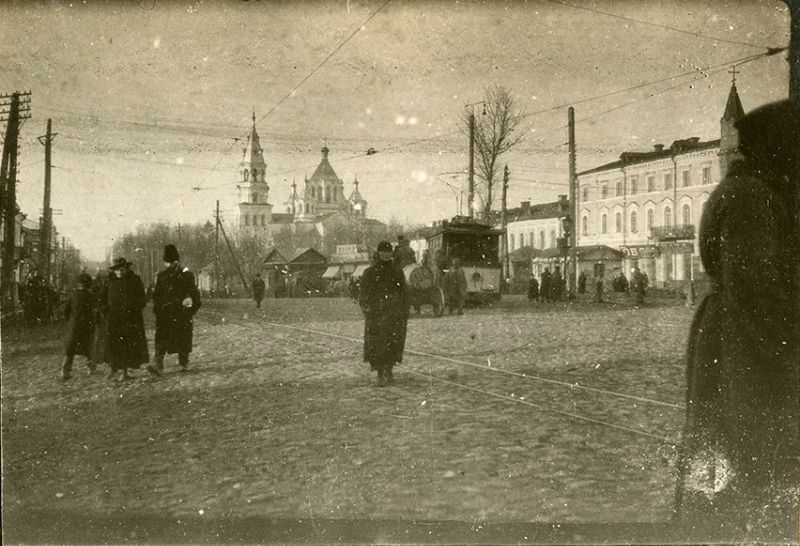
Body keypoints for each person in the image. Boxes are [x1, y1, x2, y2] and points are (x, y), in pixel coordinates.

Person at [677, 99, 799, 539]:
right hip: (744, 343)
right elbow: (757, 291)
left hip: (736, 335)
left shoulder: (753, 189)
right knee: (742, 456)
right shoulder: (751, 196)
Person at [359, 241, 409, 387]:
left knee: (393, 342)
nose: (386, 254)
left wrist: (404, 309)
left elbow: (403, 292)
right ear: (379, 253)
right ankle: (380, 373)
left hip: (394, 313)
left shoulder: (397, 271)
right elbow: (364, 293)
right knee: (378, 343)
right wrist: (367, 308)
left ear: (391, 253)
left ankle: (390, 369)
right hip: (377, 313)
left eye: (388, 252)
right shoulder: (370, 272)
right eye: (383, 252)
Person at [148, 244, 201, 376]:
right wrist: (158, 311)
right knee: (161, 339)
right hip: (165, 314)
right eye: (169, 262)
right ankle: (158, 365)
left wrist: (190, 311)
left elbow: (194, 296)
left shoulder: (187, 276)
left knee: (183, 339)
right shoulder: (161, 277)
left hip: (182, 314)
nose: (171, 265)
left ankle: (184, 363)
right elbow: (157, 297)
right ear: (165, 263)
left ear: (177, 261)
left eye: (173, 262)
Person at [102, 258, 149, 380]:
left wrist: (134, 305)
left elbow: (142, 299)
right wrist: (105, 309)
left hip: (131, 319)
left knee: (127, 345)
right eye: (117, 270)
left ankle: (125, 372)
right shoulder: (109, 281)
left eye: (122, 270)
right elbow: (102, 298)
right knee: (114, 344)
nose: (119, 273)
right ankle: (113, 369)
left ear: (126, 269)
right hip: (114, 319)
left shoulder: (135, 280)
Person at [61, 273, 96, 380]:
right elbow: (94, 311)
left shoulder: (73, 295)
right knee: (89, 348)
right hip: (87, 325)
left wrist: (70, 321)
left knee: (70, 350)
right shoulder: (91, 296)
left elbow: (66, 311)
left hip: (74, 325)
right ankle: (91, 368)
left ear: (79, 284)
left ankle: (65, 371)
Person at [90, 268, 108, 369]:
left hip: (103, 312)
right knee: (97, 337)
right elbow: (93, 296)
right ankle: (95, 359)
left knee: (103, 336)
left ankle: (103, 357)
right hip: (97, 313)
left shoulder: (106, 284)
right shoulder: (95, 284)